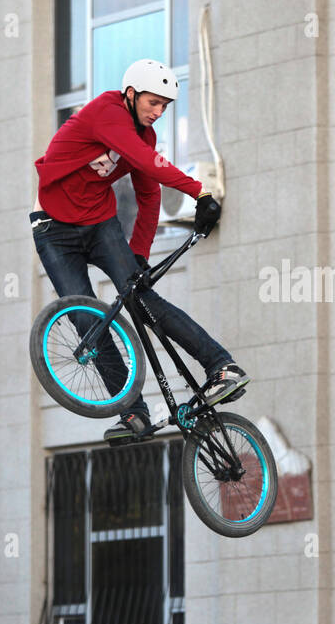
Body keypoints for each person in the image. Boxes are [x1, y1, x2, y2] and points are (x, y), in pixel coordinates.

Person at [31, 58, 248, 444]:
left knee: (142, 299)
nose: (158, 112)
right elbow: (149, 162)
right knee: (86, 320)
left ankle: (220, 366)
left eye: (165, 106)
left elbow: (149, 198)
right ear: (131, 94)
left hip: (100, 225)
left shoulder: (144, 138)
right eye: (153, 103)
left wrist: (140, 255)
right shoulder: (106, 113)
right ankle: (133, 412)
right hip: (54, 230)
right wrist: (199, 191)